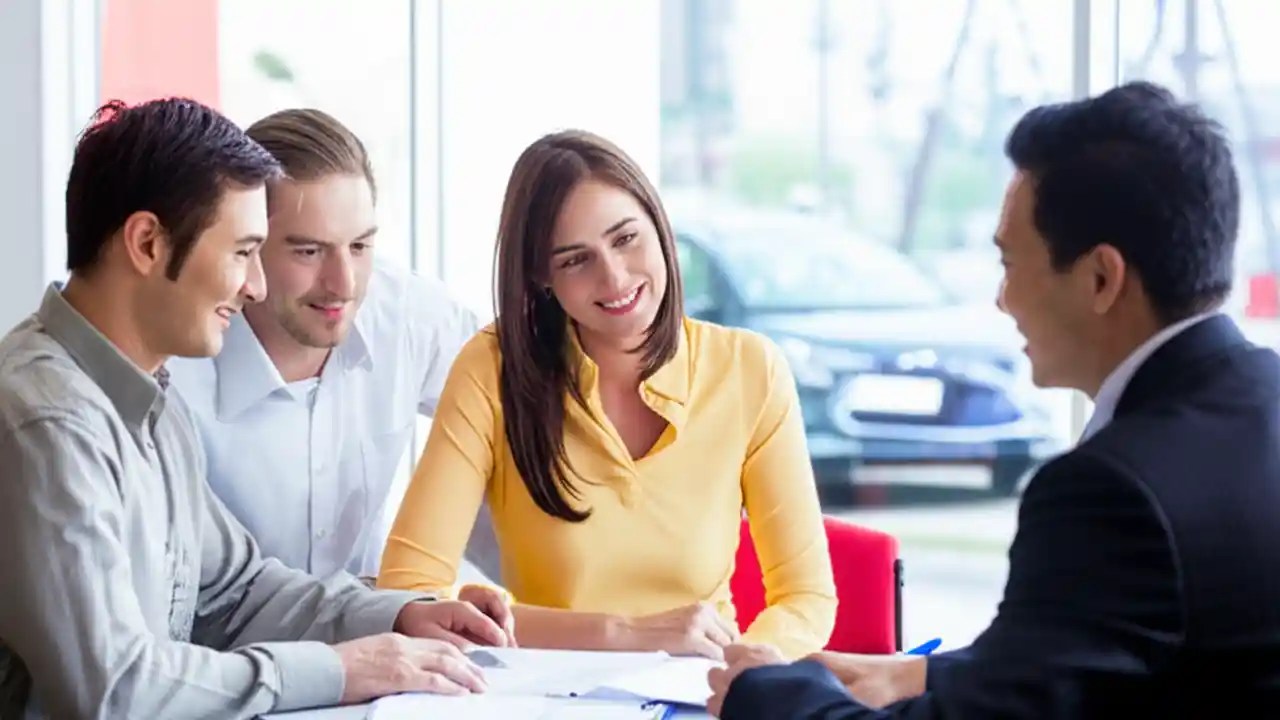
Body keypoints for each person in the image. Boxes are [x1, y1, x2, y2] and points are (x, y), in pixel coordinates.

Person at [707, 81, 1280, 718]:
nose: (1002, 300)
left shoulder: (1112, 491)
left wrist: (763, 691)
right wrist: (915, 675)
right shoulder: (1260, 399)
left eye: (1010, 263)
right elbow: (1097, 651)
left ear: (1100, 278)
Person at [0, 98, 511, 720]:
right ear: (147, 243)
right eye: (243, 252)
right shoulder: (48, 421)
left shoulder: (142, 396)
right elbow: (115, 686)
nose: (256, 286)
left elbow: (234, 592)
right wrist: (341, 669)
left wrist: (401, 615)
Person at [376, 129, 838, 661]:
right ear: (540, 276)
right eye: (576, 260)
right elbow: (409, 592)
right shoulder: (493, 368)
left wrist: (738, 670)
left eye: (625, 239)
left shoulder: (750, 369)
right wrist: (625, 634)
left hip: (702, 693)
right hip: (546, 698)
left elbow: (805, 597)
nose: (614, 277)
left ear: (659, 226)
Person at [166, 108, 503, 588]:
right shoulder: (175, 371)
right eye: (308, 251)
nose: (343, 284)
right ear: (247, 245)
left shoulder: (406, 314)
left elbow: (528, 414)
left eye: (361, 247)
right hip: (233, 655)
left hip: (379, 638)